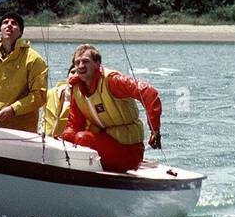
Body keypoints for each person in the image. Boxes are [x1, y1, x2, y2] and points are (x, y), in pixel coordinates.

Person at [62, 44, 162, 173]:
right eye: (77, 63)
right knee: (67, 137)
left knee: (82, 138)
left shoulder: (113, 81)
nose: (81, 66)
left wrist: (155, 131)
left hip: (129, 150)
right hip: (103, 144)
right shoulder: (76, 88)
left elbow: (149, 92)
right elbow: (73, 125)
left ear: (98, 64)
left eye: (86, 62)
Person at [42, 67, 73, 138]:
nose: (74, 76)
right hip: (46, 140)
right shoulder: (50, 94)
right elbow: (44, 117)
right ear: (67, 77)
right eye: (73, 72)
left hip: (67, 143)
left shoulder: (84, 102)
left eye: (78, 73)